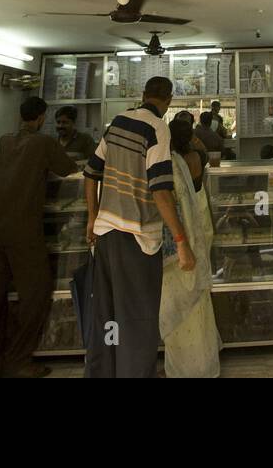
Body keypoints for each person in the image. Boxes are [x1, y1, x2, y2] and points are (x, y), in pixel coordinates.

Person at [83, 75, 194, 378]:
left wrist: (93, 217)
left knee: (107, 315)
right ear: (169, 101)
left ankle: (102, 372)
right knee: (138, 319)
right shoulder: (158, 129)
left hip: (105, 237)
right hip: (137, 240)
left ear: (143, 94)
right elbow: (160, 190)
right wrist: (182, 241)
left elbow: (91, 172)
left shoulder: (118, 122)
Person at [0, 96, 77, 378]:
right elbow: (67, 169)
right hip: (24, 230)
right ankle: (19, 361)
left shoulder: (4, 141)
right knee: (35, 295)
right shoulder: (43, 143)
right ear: (41, 117)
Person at [160, 117, 221, 377]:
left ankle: (184, 364)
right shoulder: (197, 157)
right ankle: (205, 357)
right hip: (202, 217)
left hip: (183, 231)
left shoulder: (173, 163)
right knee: (199, 286)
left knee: (180, 291)